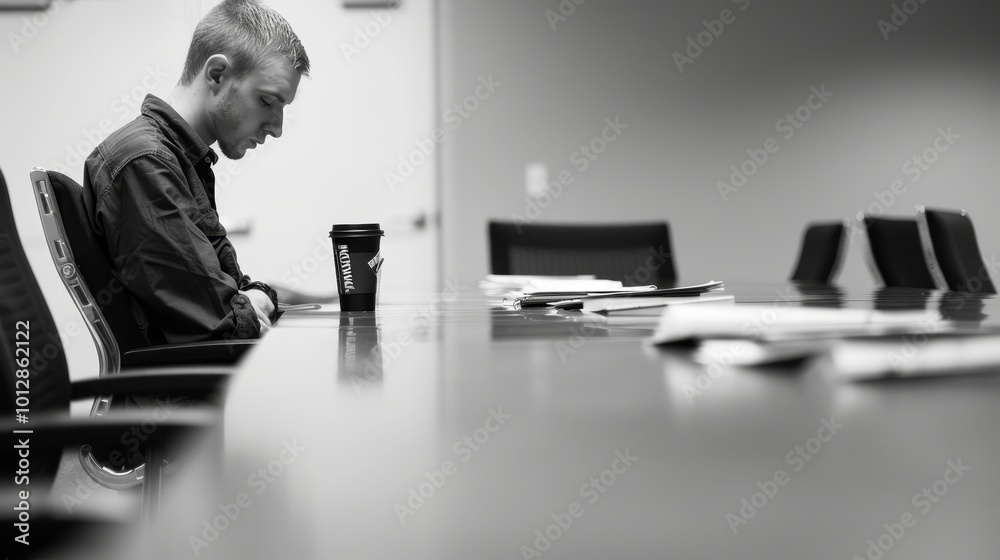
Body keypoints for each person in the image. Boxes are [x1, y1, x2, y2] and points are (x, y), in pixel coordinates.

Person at [83, 0, 309, 344]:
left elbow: (233, 292)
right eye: (267, 101)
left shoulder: (178, 160)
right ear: (217, 74)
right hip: (184, 395)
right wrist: (256, 299)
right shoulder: (145, 162)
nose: (277, 128)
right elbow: (228, 326)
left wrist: (258, 295)